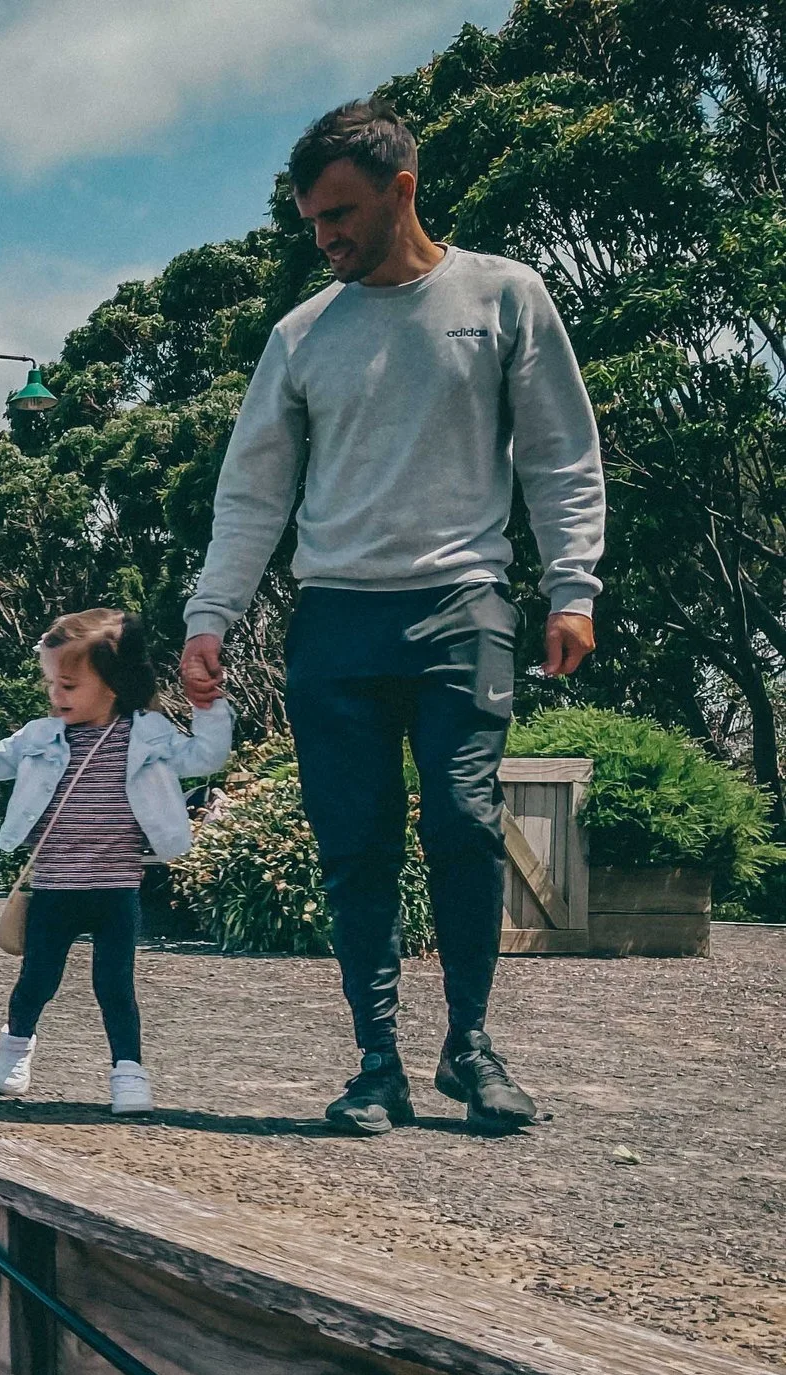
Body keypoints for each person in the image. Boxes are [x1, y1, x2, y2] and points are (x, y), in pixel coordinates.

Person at [180, 98, 604, 1136]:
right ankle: (377, 1064)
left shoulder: (504, 296)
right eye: (309, 220)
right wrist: (211, 616)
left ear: (400, 189)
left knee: (463, 822)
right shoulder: (300, 337)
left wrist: (574, 586)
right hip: (335, 621)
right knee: (353, 847)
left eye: (339, 213)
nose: (323, 236)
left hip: (463, 607)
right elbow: (252, 495)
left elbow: (559, 452)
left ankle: (468, 1047)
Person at [0, 608, 231, 1115]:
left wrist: (209, 705)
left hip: (116, 889)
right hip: (55, 887)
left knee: (115, 987)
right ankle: (17, 1042)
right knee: (38, 980)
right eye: (52, 683)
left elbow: (206, 758)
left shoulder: (148, 734)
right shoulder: (40, 737)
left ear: (111, 683)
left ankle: (128, 1072)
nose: (55, 695)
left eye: (67, 684)